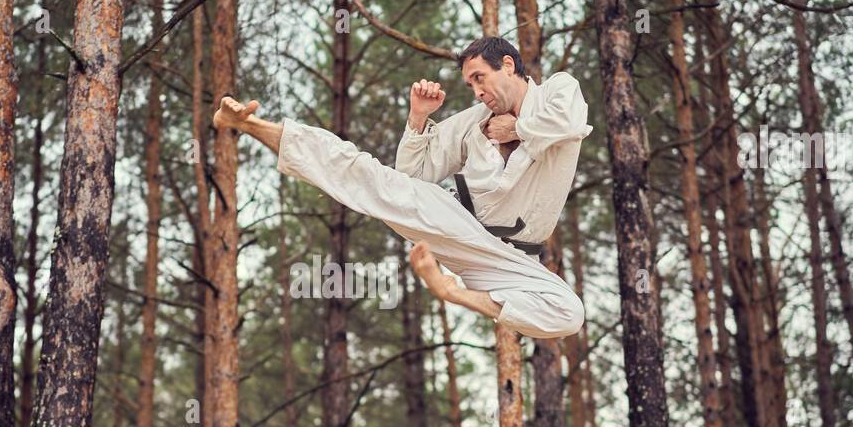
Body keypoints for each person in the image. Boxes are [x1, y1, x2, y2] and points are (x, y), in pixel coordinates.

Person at [212, 36, 591, 339]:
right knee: (369, 177)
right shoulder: (474, 121)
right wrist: (418, 118)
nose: (476, 91)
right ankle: (250, 125)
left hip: (514, 261)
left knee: (569, 314)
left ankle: (451, 292)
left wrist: (517, 129)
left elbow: (570, 124)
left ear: (508, 65)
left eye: (480, 77)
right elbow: (414, 175)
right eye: (470, 83)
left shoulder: (559, 89)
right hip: (458, 222)